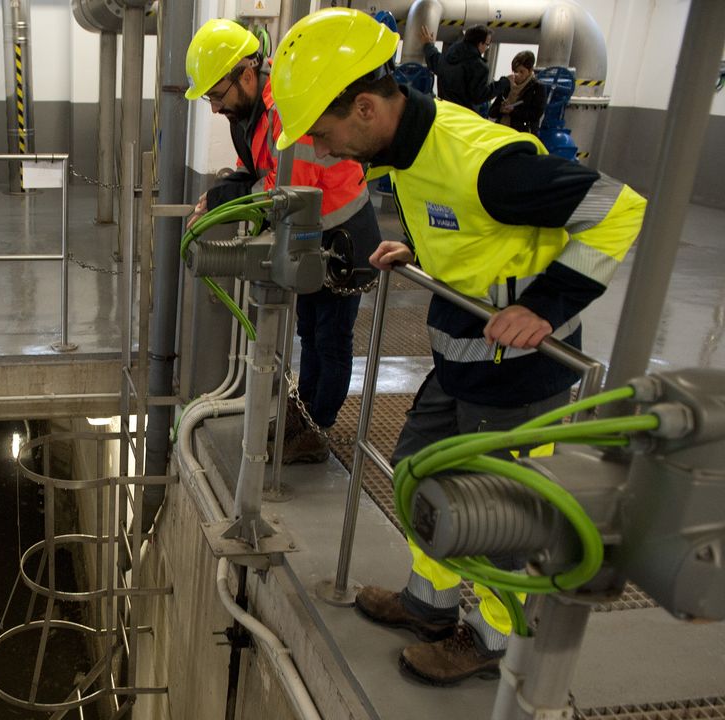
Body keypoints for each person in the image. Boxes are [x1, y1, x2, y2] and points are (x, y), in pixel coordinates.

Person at [269, 8, 646, 685]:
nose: (322, 153)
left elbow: (618, 208)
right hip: (461, 357)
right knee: (418, 474)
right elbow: (467, 224)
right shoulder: (404, 149)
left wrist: (546, 304)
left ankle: (491, 643)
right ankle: (431, 603)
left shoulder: (484, 162)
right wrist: (421, 249)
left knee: (501, 519)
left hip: (520, 377)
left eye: (324, 135)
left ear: (362, 108)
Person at [184, 18, 383, 464]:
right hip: (311, 233)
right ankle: (304, 413)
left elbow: (286, 184)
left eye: (217, 95)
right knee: (309, 330)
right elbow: (250, 168)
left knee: (331, 337)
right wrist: (220, 191)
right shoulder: (248, 114)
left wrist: (228, 196)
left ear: (247, 75)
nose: (215, 108)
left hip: (343, 235)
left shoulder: (284, 109)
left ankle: (317, 430)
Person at [421, 25, 509, 110]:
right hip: (463, 115)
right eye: (487, 44)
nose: (487, 48)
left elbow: (434, 60)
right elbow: (479, 97)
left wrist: (428, 45)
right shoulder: (479, 67)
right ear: (479, 44)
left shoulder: (449, 56)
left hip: (444, 110)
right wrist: (504, 82)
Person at [489, 50, 547, 133]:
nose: (517, 75)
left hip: (522, 134)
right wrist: (500, 109)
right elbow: (491, 111)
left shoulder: (537, 88)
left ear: (530, 71)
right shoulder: (508, 85)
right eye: (515, 71)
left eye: (521, 72)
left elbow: (536, 114)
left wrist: (513, 111)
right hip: (501, 132)